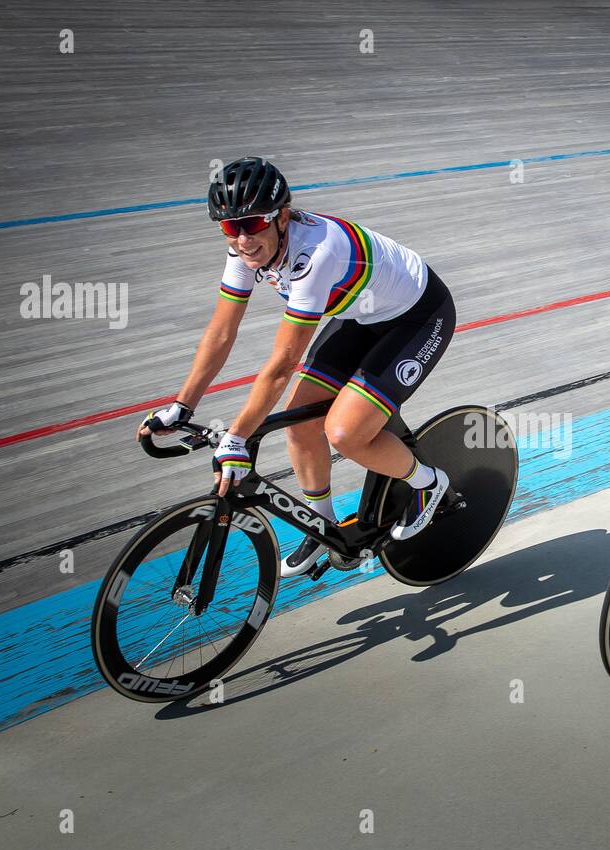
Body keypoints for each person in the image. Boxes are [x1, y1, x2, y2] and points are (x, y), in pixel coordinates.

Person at [138, 157, 454, 577]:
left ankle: (429, 484)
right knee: (298, 424)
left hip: (417, 317)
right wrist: (182, 405)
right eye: (230, 228)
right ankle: (321, 524)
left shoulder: (316, 254)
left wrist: (237, 436)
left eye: (251, 224)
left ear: (281, 217)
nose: (243, 240)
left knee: (344, 433)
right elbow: (220, 333)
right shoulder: (244, 252)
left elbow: (283, 363)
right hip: (361, 315)